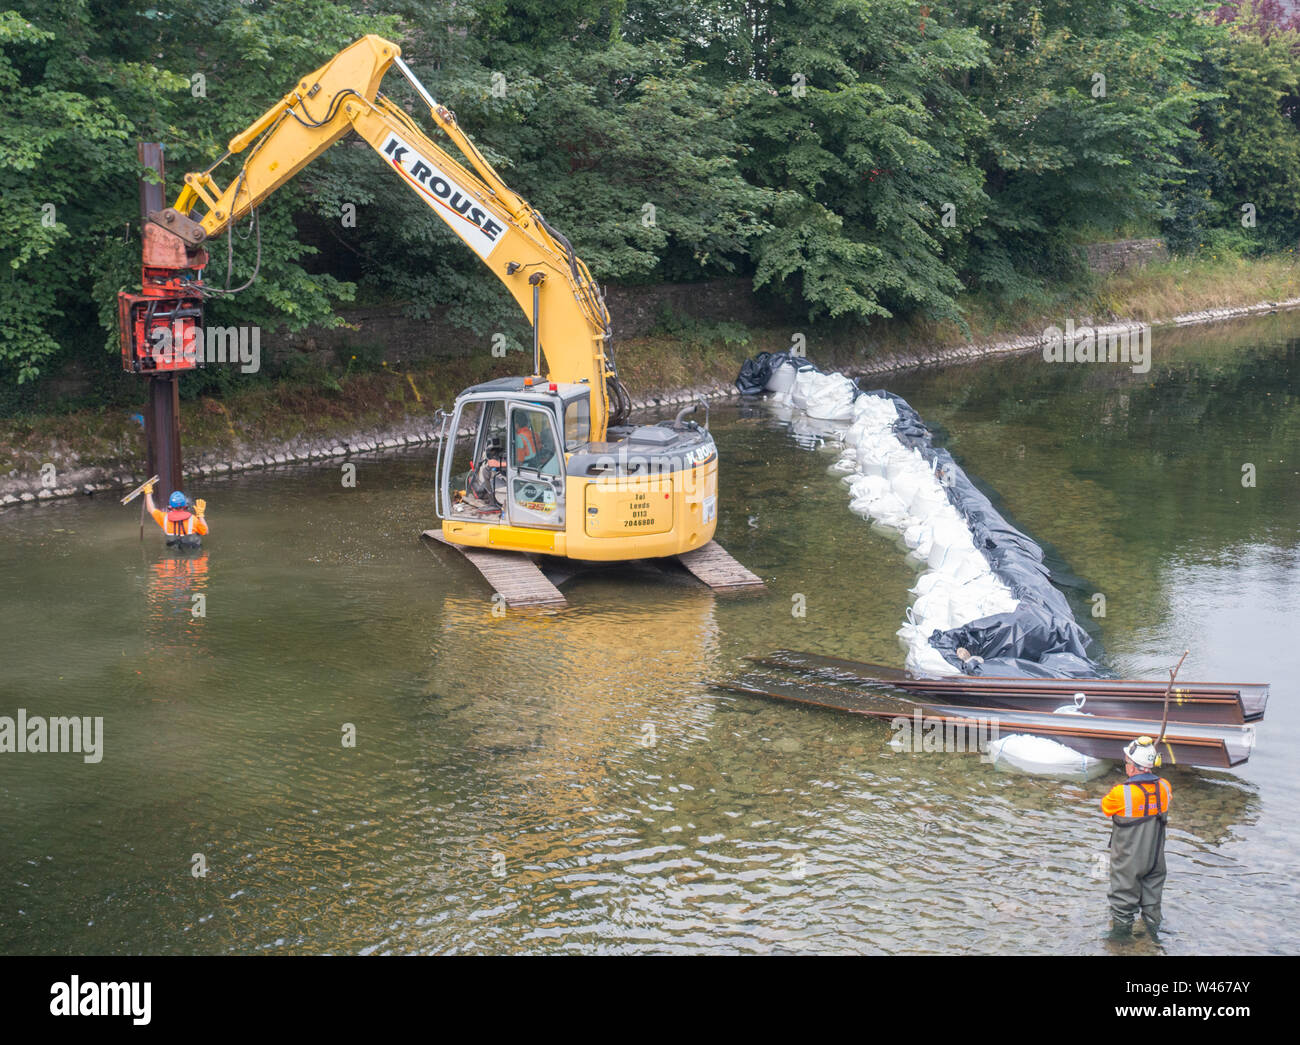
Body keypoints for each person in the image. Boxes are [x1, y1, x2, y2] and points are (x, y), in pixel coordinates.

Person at [1101, 735, 1172, 937]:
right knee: (1152, 900)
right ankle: (1153, 937)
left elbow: (1106, 807)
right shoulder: (1165, 787)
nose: (1125, 766)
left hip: (1129, 861)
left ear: (1132, 766)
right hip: (1155, 859)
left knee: (1123, 901)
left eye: (1126, 762)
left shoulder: (1120, 793)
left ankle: (1120, 941)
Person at [143, 482, 209, 549]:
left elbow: (150, 509)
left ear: (170, 506)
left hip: (171, 557)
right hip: (194, 556)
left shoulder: (164, 518)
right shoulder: (193, 519)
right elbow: (206, 532)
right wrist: (200, 515)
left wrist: (148, 493)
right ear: (185, 505)